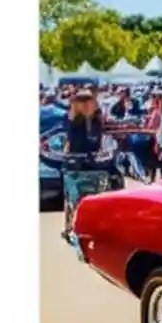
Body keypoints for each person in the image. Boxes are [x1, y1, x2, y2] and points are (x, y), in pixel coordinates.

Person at [60, 90, 110, 241]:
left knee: (97, 195)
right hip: (76, 162)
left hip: (94, 163)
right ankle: (69, 226)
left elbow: (100, 140)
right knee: (72, 197)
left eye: (88, 100)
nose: (86, 104)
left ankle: (93, 225)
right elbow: (70, 142)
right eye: (82, 101)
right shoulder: (72, 119)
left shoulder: (97, 119)